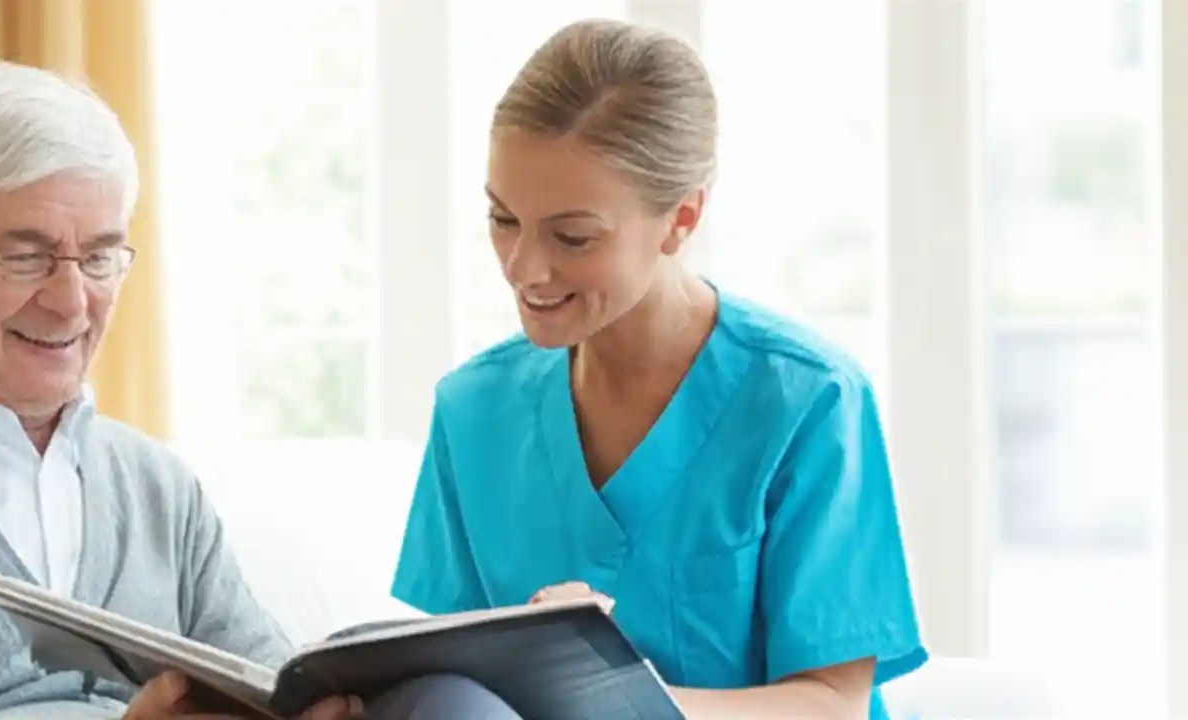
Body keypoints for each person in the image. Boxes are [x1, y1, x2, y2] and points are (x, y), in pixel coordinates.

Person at [0, 62, 520, 720]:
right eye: (25, 255)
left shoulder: (157, 489)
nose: (70, 301)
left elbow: (269, 677)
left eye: (99, 257)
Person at [391, 19, 928, 719]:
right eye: (503, 219)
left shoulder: (809, 402)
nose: (523, 267)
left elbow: (833, 702)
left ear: (680, 219)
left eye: (572, 235)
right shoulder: (473, 411)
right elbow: (450, 679)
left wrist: (620, 697)